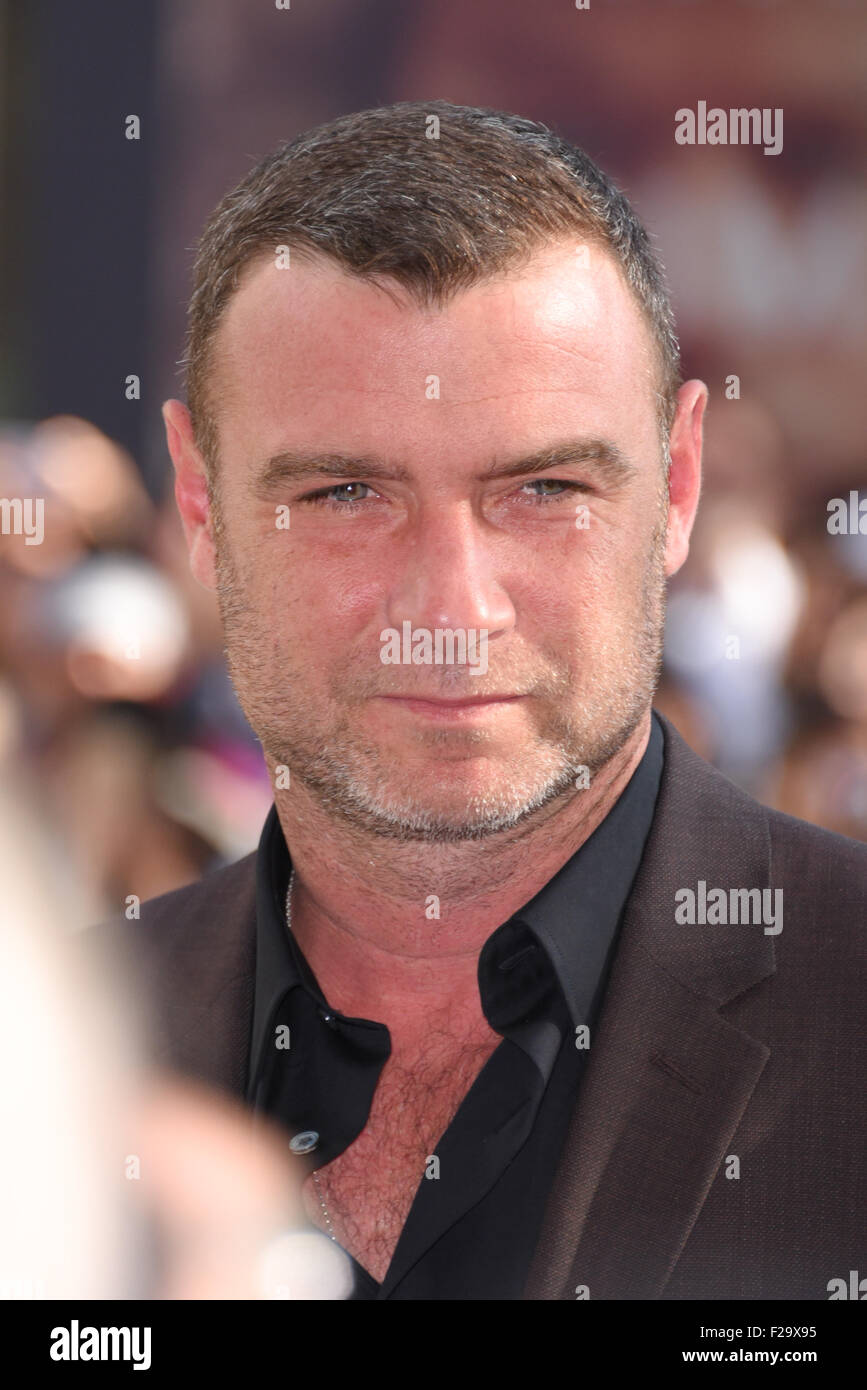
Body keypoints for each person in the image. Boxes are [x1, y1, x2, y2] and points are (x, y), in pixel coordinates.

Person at [99, 100, 866, 1300]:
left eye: (544, 488)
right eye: (348, 492)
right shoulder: (43, 1056)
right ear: (200, 504)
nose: (449, 610)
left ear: (676, 484)